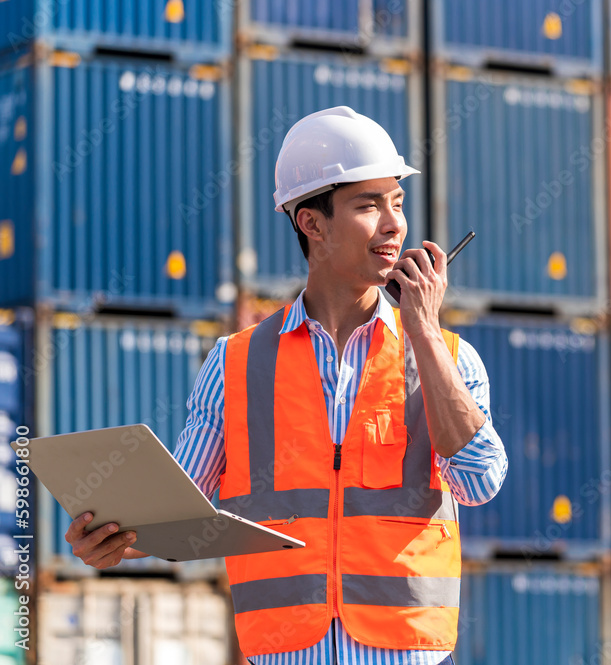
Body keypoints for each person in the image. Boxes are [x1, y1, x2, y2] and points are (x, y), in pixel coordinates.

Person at [63, 107, 508, 664]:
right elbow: (180, 516)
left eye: (396, 202)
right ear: (312, 224)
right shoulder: (236, 363)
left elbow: (480, 480)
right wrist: (112, 540)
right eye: (368, 205)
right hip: (284, 651)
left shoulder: (450, 356)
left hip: (407, 652)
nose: (394, 223)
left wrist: (422, 330)